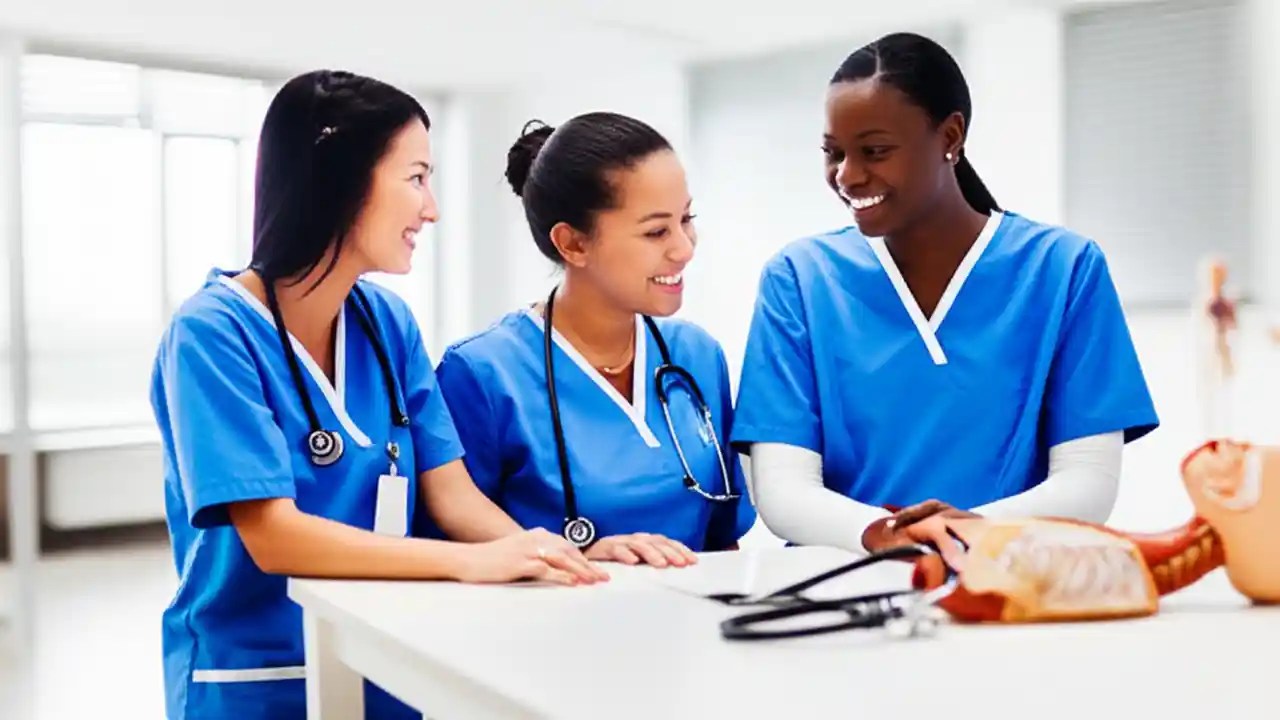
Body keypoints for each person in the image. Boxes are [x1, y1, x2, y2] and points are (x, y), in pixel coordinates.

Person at [149, 70, 605, 720]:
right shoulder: (211, 335)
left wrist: (546, 555)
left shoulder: (387, 323)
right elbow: (275, 538)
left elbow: (452, 495)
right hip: (257, 678)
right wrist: (464, 565)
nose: (433, 208)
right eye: (416, 177)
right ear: (339, 179)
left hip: (383, 659)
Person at [729, 32, 1160, 567]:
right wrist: (882, 532)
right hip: (843, 584)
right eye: (833, 152)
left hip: (1009, 573)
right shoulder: (798, 278)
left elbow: (1088, 481)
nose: (847, 175)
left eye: (875, 151)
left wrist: (972, 532)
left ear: (950, 136)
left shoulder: (1063, 269)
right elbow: (783, 491)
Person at [429, 113, 757, 565]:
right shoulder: (483, 373)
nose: (684, 247)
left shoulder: (697, 356)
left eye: (687, 218)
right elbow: (450, 543)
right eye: (656, 231)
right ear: (573, 244)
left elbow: (723, 539)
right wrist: (579, 556)